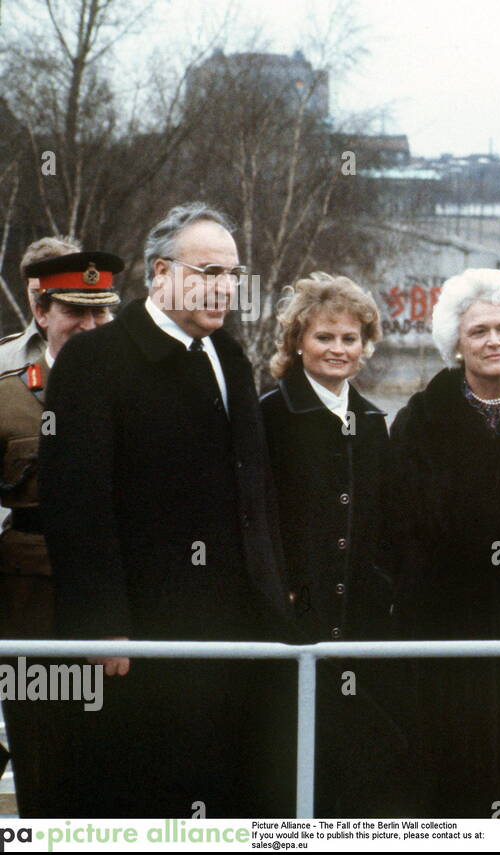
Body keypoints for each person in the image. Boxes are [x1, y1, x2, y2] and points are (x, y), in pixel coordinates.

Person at [40, 202, 290, 817]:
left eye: (232, 274)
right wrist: (102, 622)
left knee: (234, 791)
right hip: (144, 631)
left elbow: (254, 492)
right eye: (207, 271)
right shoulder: (95, 362)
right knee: (148, 792)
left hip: (238, 625)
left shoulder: (229, 355)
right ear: (159, 273)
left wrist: (274, 595)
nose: (224, 288)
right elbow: (76, 501)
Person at [391, 267, 500, 817]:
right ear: (456, 344)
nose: (494, 341)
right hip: (449, 625)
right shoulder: (420, 421)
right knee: (454, 767)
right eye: (478, 332)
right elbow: (403, 527)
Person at [259, 272, 410, 816]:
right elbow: (259, 518)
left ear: (365, 346)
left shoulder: (370, 421)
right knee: (293, 757)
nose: (338, 350)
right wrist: (284, 590)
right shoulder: (270, 416)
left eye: (350, 339)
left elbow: (388, 522)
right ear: (298, 340)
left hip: (361, 617)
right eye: (325, 337)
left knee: (360, 761)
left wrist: (382, 585)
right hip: (294, 616)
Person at [0, 249, 120, 816]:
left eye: (102, 314)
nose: (91, 326)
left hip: (121, 607)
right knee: (42, 760)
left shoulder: (137, 386)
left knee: (115, 763)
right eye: (76, 311)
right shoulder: (6, 391)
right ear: (42, 311)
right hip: (30, 605)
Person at [0, 235, 83, 373]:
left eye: (49, 291)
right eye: (35, 291)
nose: (40, 299)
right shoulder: (4, 357)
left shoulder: (105, 346)